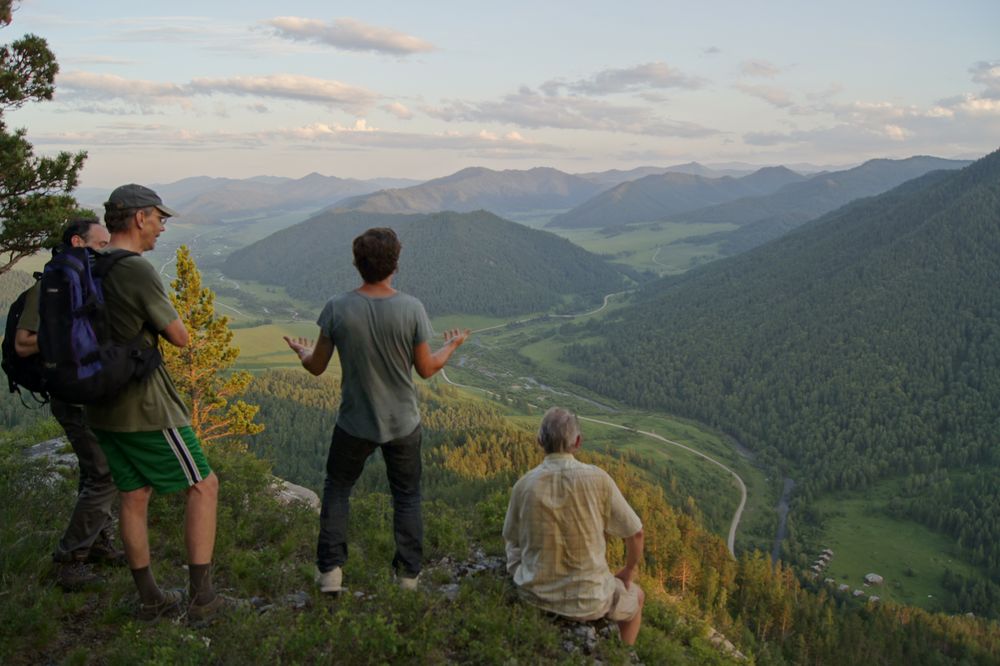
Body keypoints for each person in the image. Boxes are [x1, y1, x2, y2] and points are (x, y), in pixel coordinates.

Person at [284, 226, 469, 593]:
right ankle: (408, 577)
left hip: (354, 420)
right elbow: (427, 369)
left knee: (337, 489)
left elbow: (317, 365)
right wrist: (452, 346)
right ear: (395, 264)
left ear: (357, 263)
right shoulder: (411, 308)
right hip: (402, 421)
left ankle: (331, 573)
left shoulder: (337, 307)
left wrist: (301, 352)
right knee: (407, 495)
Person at [85, 184, 224, 622]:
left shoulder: (92, 263)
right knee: (204, 485)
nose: (163, 227)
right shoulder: (136, 270)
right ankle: (202, 600)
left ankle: (149, 599)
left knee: (133, 493)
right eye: (160, 219)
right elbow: (179, 337)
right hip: (145, 404)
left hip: (100, 404)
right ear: (140, 217)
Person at [14, 219, 125, 590]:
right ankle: (70, 558)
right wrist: (73, 342)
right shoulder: (51, 287)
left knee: (92, 472)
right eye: (100, 242)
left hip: (88, 392)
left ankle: (97, 543)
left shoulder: (85, 284)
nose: (105, 249)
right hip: (70, 396)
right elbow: (24, 343)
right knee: (104, 473)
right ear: (78, 242)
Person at [503, 407, 646, 645]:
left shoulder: (524, 485)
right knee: (637, 597)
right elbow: (636, 532)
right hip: (590, 601)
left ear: (540, 441)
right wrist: (629, 569)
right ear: (577, 442)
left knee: (514, 548)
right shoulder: (599, 479)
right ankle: (621, 655)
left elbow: (511, 537)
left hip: (533, 595)